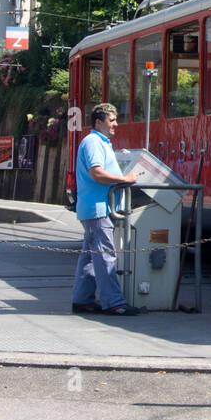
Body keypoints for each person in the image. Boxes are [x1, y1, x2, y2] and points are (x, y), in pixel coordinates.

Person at [72, 102, 140, 316]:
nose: (115, 124)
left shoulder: (99, 142)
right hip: (97, 208)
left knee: (90, 256)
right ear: (99, 122)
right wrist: (124, 179)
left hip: (95, 207)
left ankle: (82, 300)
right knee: (104, 256)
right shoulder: (93, 142)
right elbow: (97, 173)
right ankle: (114, 303)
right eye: (111, 120)